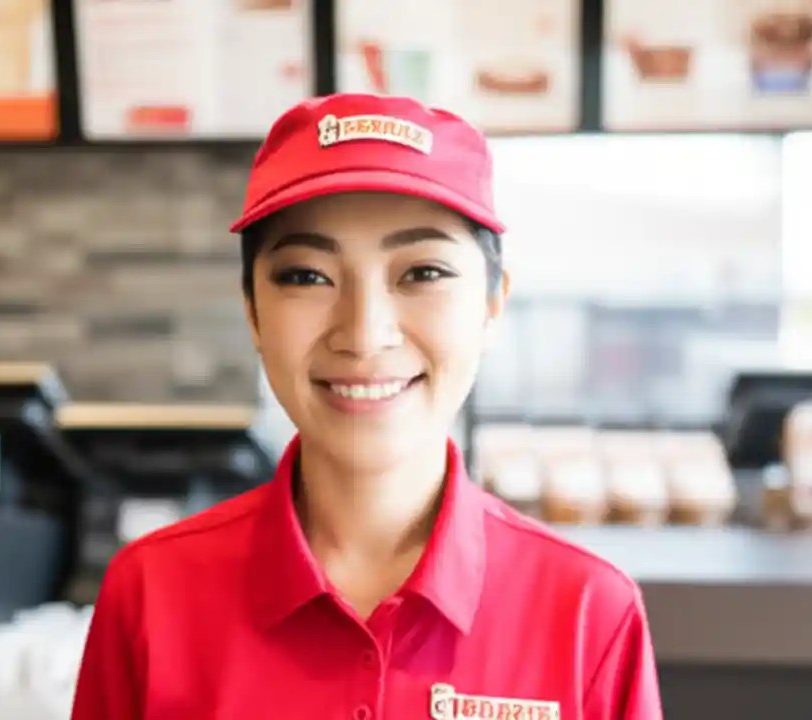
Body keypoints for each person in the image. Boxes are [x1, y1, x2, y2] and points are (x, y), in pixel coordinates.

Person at [70, 93, 662, 720]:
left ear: (492, 304)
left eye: (423, 273)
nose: (363, 332)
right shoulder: (152, 595)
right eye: (307, 276)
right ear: (251, 311)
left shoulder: (586, 612)